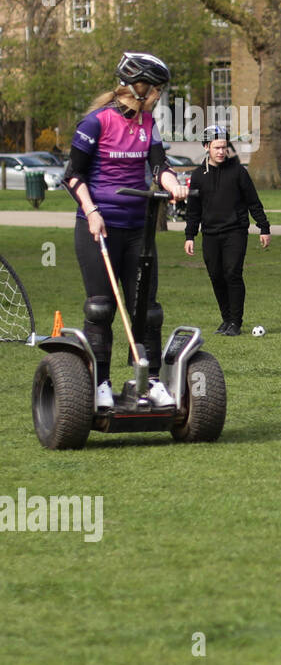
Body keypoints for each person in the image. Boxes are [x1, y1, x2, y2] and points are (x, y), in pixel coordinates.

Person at [63, 51, 187, 408]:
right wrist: (91, 212)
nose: (160, 95)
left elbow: (159, 164)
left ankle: (147, 381)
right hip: (99, 227)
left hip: (137, 229)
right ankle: (100, 383)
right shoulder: (96, 123)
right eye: (157, 89)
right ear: (140, 86)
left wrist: (172, 183)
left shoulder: (148, 124)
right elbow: (73, 175)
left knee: (147, 310)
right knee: (101, 308)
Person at [183, 125, 271, 335]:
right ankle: (226, 319)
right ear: (207, 147)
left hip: (235, 231)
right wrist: (190, 235)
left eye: (224, 147)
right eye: (217, 147)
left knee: (232, 273)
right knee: (216, 276)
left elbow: (253, 201)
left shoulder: (238, 172)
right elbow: (193, 209)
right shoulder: (198, 176)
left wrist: (263, 227)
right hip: (210, 233)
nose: (221, 152)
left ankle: (236, 322)